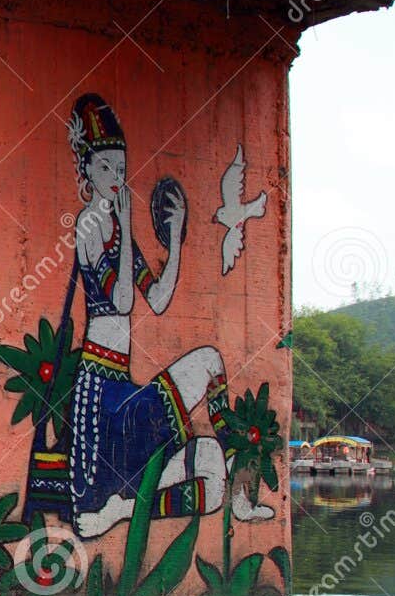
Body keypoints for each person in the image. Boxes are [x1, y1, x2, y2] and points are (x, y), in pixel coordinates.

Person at [64, 92, 272, 539]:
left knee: (210, 471)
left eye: (121, 168)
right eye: (105, 168)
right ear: (86, 170)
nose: (116, 178)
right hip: (103, 402)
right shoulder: (88, 225)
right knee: (210, 361)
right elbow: (121, 300)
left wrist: (174, 238)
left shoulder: (118, 230)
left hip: (125, 391)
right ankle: (116, 507)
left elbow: (156, 299)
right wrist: (126, 227)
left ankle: (129, 508)